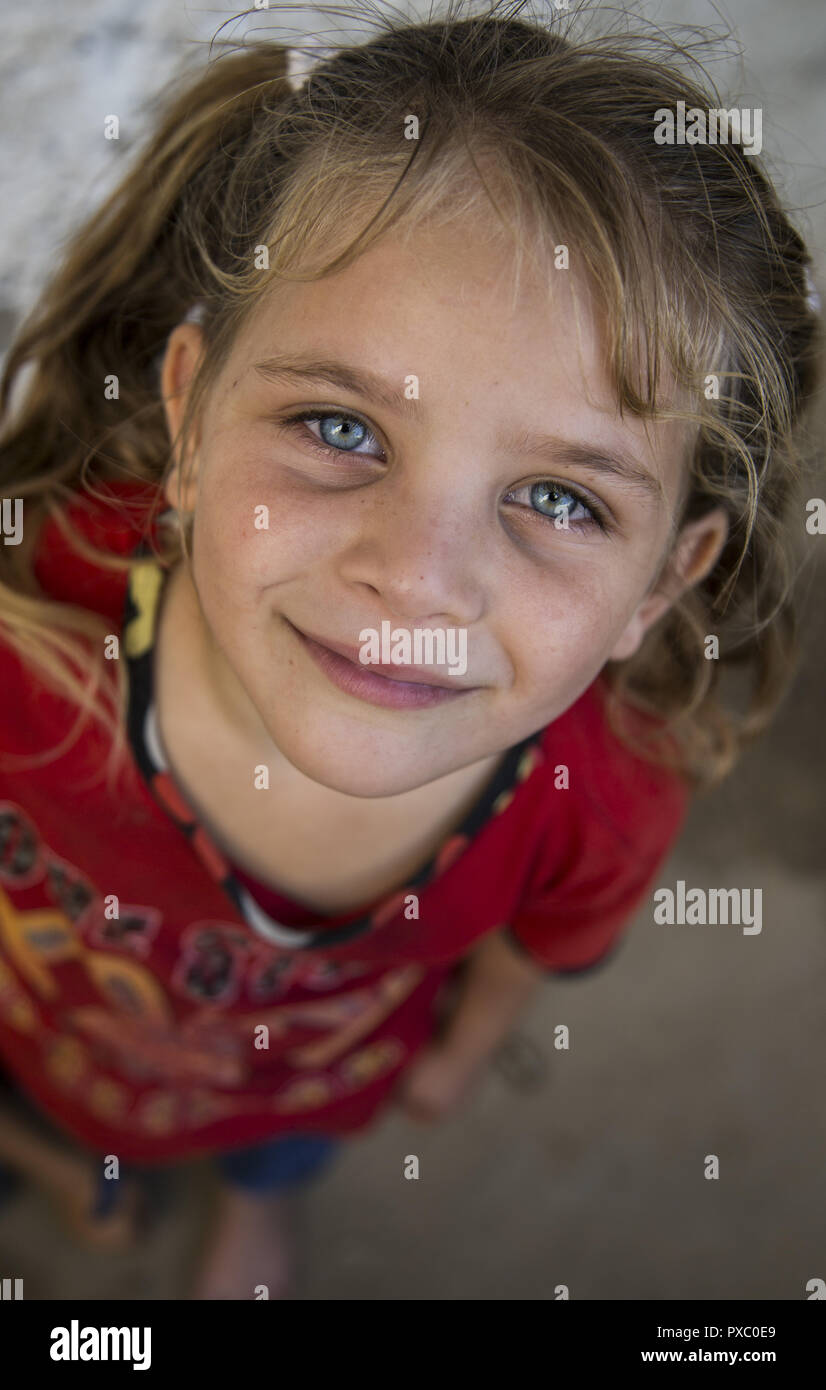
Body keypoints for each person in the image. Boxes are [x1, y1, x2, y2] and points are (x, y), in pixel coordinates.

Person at [0, 2, 819, 1300]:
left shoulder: (600, 795)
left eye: (560, 499)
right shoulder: (36, 626)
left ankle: (251, 1214)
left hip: (305, 1085)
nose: (417, 575)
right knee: (56, 1122)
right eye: (338, 424)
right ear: (191, 415)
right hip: (37, 1032)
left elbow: (536, 940)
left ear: (659, 583)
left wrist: (458, 1048)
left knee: (275, 1152)